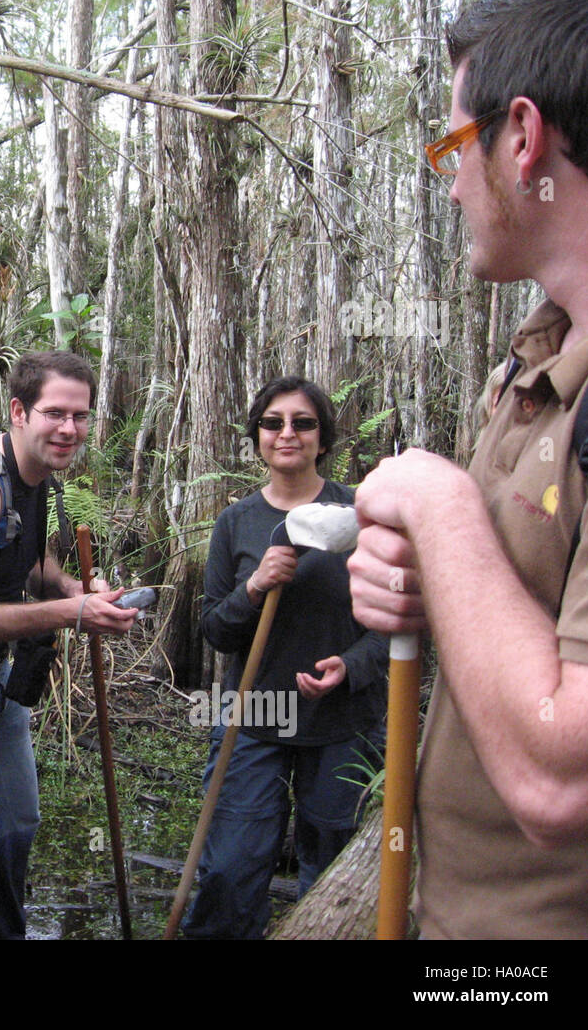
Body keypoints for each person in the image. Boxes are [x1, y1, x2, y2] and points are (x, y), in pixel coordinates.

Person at [347, 0, 588, 939]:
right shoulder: (536, 363)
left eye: (455, 145)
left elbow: (560, 778)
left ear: (523, 137)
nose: (450, 182)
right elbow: (523, 612)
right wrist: (427, 583)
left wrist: (439, 506)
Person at [0, 351, 138, 940]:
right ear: (19, 411)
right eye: (55, 413)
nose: (69, 429)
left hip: (3, 678)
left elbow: (25, 560)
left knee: (18, 826)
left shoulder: (39, 477)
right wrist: (70, 612)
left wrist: (76, 585)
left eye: (80, 416)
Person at [186, 376, 386, 939]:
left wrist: (351, 666)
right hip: (258, 713)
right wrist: (252, 589)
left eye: (303, 423)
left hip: (343, 719)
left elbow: (397, 625)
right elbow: (214, 631)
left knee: (334, 867)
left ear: (322, 438)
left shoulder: (359, 514)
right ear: (257, 438)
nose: (287, 433)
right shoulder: (237, 523)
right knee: (229, 866)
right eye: (273, 423)